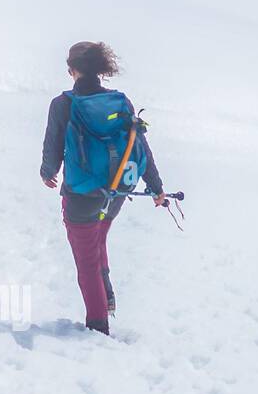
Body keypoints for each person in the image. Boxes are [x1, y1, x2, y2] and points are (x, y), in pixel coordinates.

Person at [40, 41, 166, 335]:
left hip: (81, 194)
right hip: (117, 192)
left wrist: (48, 172)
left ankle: (98, 328)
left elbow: (53, 145)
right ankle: (106, 296)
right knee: (98, 240)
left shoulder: (63, 104)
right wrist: (156, 186)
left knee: (86, 262)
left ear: (72, 70)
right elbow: (139, 144)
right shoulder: (121, 102)